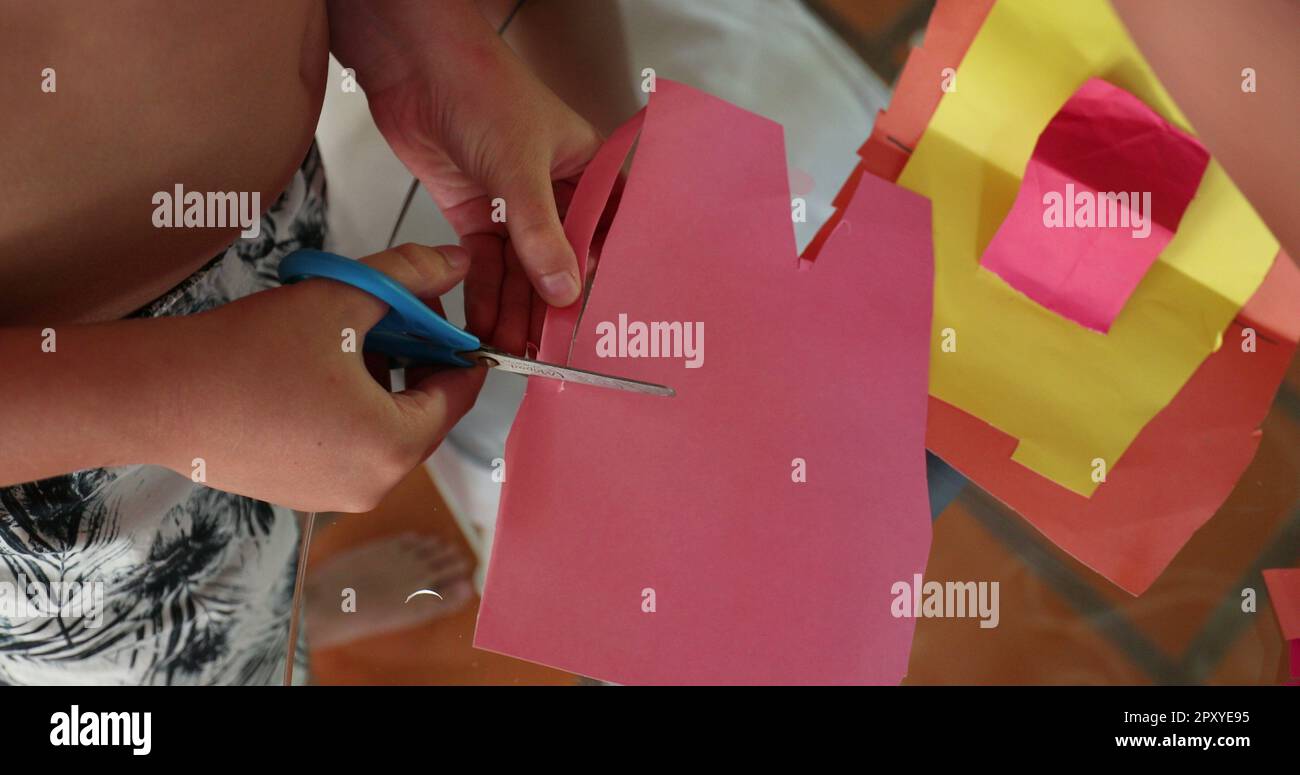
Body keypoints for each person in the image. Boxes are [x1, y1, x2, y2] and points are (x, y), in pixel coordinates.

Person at [0, 0, 603, 684]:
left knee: (287, 503)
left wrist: (409, 36)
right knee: (205, 653)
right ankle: (290, 621)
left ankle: (294, 601)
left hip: (273, 234)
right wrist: (171, 400)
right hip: (58, 451)